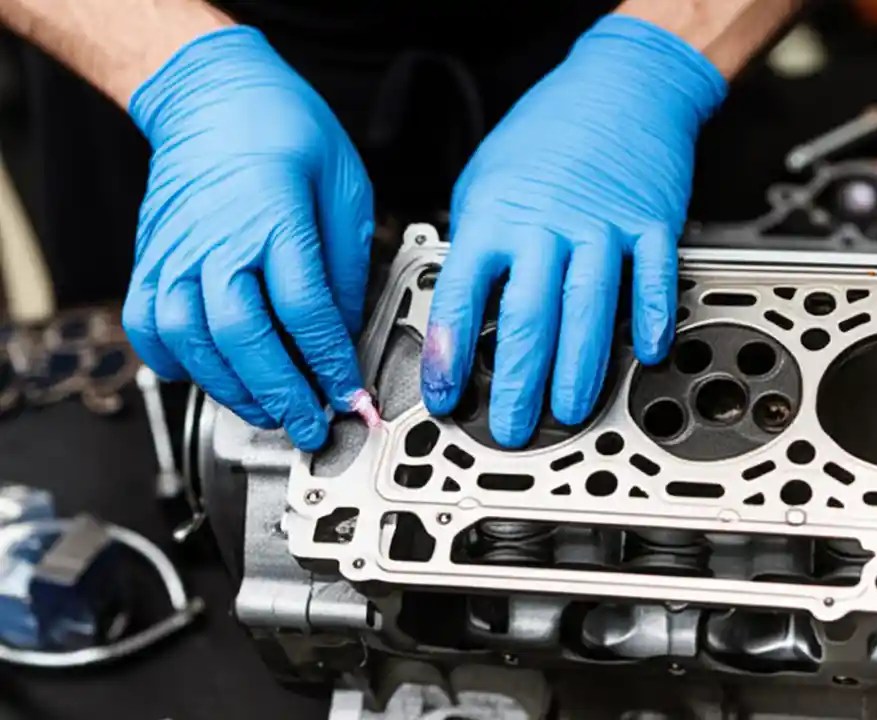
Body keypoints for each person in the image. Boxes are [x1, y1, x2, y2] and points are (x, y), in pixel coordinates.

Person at [0, 0, 802, 450]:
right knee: (195, 383)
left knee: (687, 388)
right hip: (192, 87)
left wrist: (659, 58)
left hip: (616, 77)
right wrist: (181, 73)